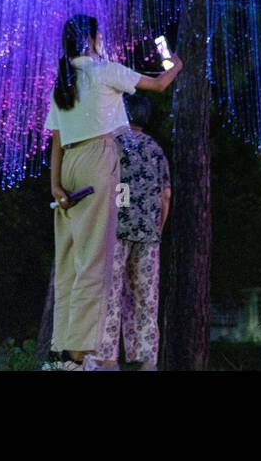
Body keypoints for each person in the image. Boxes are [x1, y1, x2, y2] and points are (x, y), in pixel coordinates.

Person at [46, 15, 181, 370]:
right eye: (100, 35)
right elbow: (159, 85)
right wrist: (175, 64)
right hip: (97, 157)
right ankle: (79, 354)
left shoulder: (63, 80)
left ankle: (61, 348)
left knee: (69, 262)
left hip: (70, 164)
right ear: (91, 39)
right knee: (94, 262)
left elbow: (56, 142)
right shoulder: (103, 69)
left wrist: (56, 186)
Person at [98, 93, 171, 371]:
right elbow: (166, 194)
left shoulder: (112, 145)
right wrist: (157, 228)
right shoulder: (155, 149)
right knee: (145, 297)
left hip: (113, 230)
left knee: (110, 293)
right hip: (148, 234)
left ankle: (108, 360)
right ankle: (147, 362)